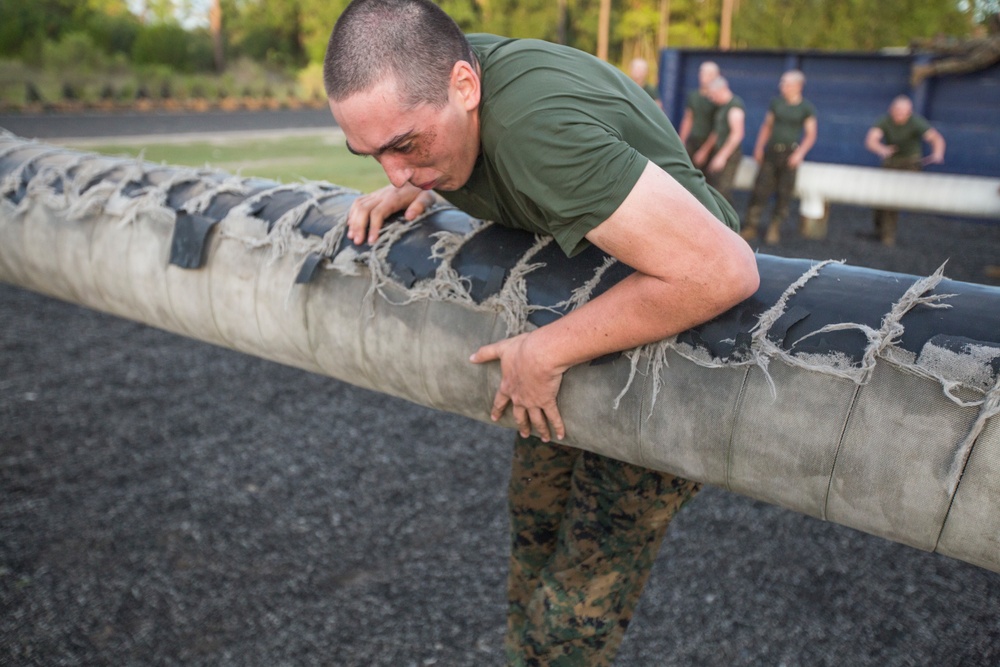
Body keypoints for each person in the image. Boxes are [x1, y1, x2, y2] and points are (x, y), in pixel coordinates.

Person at [323, 1, 760, 664]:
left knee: (573, 606)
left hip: (674, 336)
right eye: (372, 152)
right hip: (589, 304)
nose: (394, 170)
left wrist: (546, 348)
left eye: (405, 145)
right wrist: (420, 187)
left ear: (465, 88)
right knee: (534, 526)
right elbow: (496, 163)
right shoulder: (448, 95)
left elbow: (721, 270)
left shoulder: (535, 128)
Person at [742, 69, 818, 245]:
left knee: (784, 192)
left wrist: (799, 154)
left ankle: (774, 227)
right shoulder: (776, 103)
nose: (782, 86)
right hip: (771, 152)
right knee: (760, 189)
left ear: (798, 86)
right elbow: (767, 126)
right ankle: (751, 226)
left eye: (786, 83)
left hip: (790, 153)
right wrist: (759, 147)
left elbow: (811, 134)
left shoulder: (806, 108)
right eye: (782, 83)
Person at [863, 95, 946, 246]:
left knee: (892, 197)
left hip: (910, 163)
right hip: (891, 162)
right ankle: (879, 230)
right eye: (897, 111)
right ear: (891, 110)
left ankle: (888, 236)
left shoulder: (916, 122)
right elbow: (871, 140)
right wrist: (882, 149)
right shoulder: (885, 121)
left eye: (903, 112)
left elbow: (936, 138)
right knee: (879, 198)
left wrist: (937, 153)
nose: (899, 115)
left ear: (909, 112)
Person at [692, 76, 745, 207]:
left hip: (729, 156)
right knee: (712, 189)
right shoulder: (722, 107)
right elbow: (717, 132)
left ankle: (727, 225)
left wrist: (722, 156)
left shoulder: (735, 106)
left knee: (722, 193)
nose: (711, 99)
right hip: (718, 152)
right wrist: (706, 151)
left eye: (713, 95)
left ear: (721, 90)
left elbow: (737, 134)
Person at [910, 14, 1000, 86]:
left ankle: (922, 43)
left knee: (961, 45)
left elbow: (996, 17)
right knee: (968, 63)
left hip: (994, 40)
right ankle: (924, 70)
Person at [677, 61, 720, 159]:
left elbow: (718, 129)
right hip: (693, 141)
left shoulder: (718, 99)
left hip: (710, 145)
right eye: (702, 73)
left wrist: (705, 150)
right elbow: (688, 118)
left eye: (709, 74)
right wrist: (682, 140)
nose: (704, 77)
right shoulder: (693, 96)